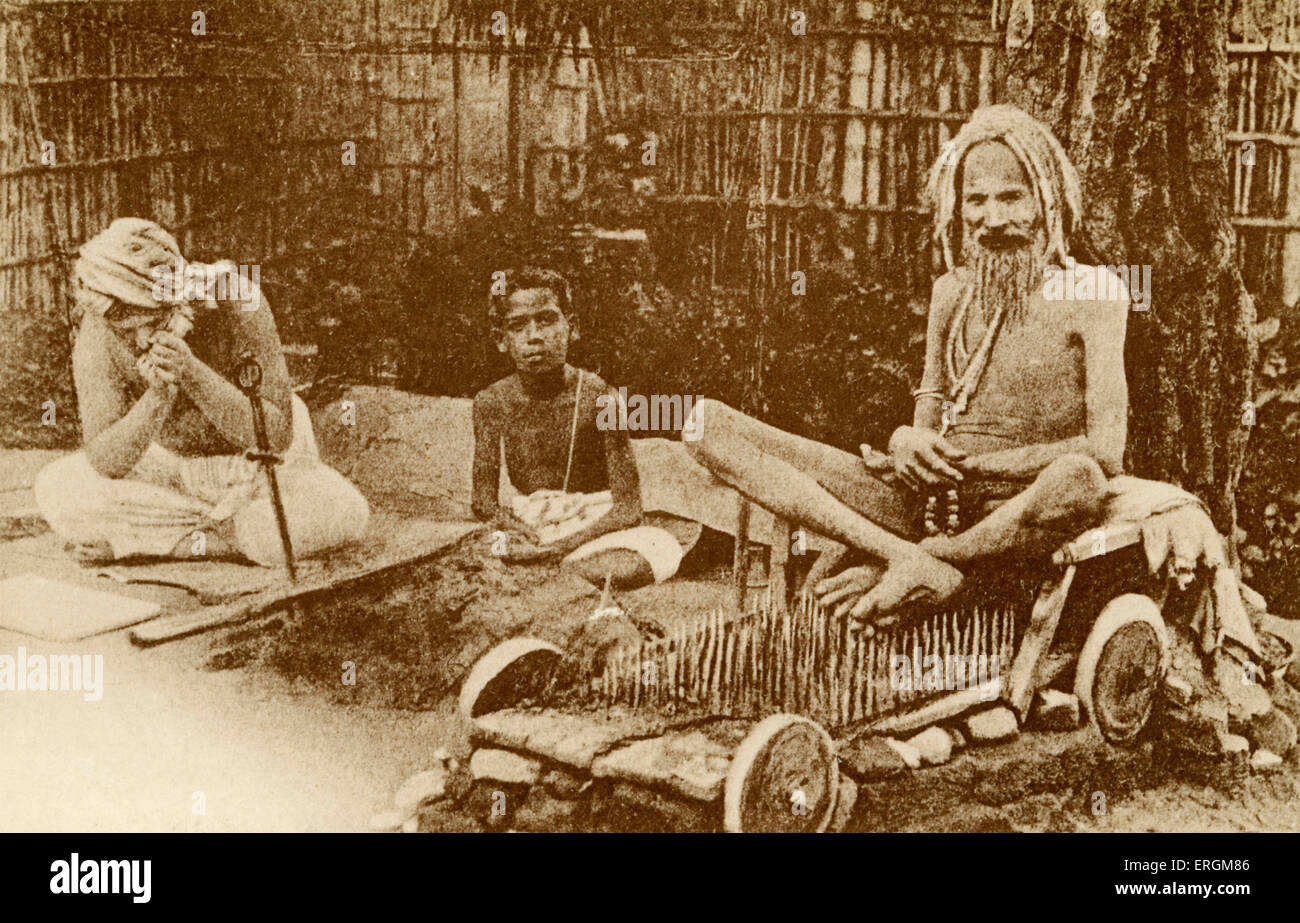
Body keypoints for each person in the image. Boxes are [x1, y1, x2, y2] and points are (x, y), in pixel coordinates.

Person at [685, 105, 1128, 622]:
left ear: (1047, 201)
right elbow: (927, 418)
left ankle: (941, 563)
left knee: (1080, 478)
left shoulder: (1093, 293)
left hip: (1013, 513)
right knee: (704, 424)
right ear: (957, 208)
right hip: (925, 506)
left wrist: (974, 466)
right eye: (976, 201)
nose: (994, 220)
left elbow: (1105, 452)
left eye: (1012, 198)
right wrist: (905, 442)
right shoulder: (951, 292)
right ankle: (904, 557)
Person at [35, 218, 370, 568]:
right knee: (56, 487)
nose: (139, 340)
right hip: (175, 476)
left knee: (344, 510)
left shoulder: (239, 298)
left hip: (261, 472)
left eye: (149, 321)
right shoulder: (100, 321)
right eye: (124, 329)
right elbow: (105, 458)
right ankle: (225, 535)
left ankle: (187, 542)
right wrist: (158, 397)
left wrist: (192, 372)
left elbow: (276, 436)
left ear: (175, 300)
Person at [471, 268, 683, 586]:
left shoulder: (601, 397)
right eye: (518, 325)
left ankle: (552, 574)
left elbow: (628, 509)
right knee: (478, 546)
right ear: (502, 340)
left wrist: (558, 549)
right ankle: (552, 574)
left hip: (593, 525)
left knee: (658, 550)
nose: (534, 336)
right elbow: (483, 501)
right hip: (531, 524)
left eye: (546, 319)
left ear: (573, 328)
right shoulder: (491, 401)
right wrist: (512, 525)